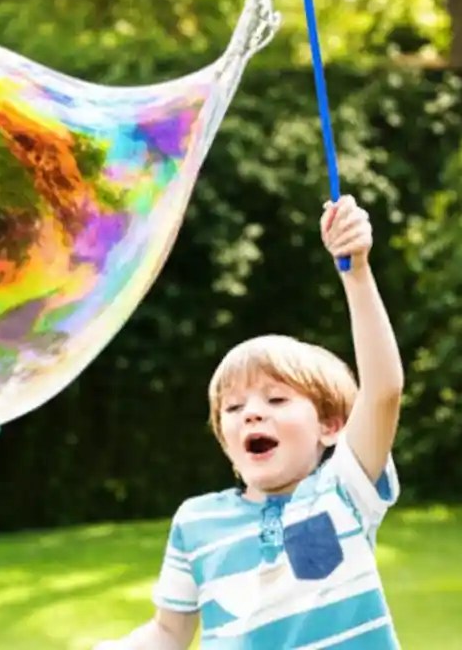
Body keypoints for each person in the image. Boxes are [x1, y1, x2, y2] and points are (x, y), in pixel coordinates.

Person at [95, 195, 406, 649]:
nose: (252, 413)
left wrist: (356, 271)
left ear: (331, 424)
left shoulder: (344, 491)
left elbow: (383, 390)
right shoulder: (197, 522)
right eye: (233, 409)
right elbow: (169, 632)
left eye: (277, 398)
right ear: (225, 440)